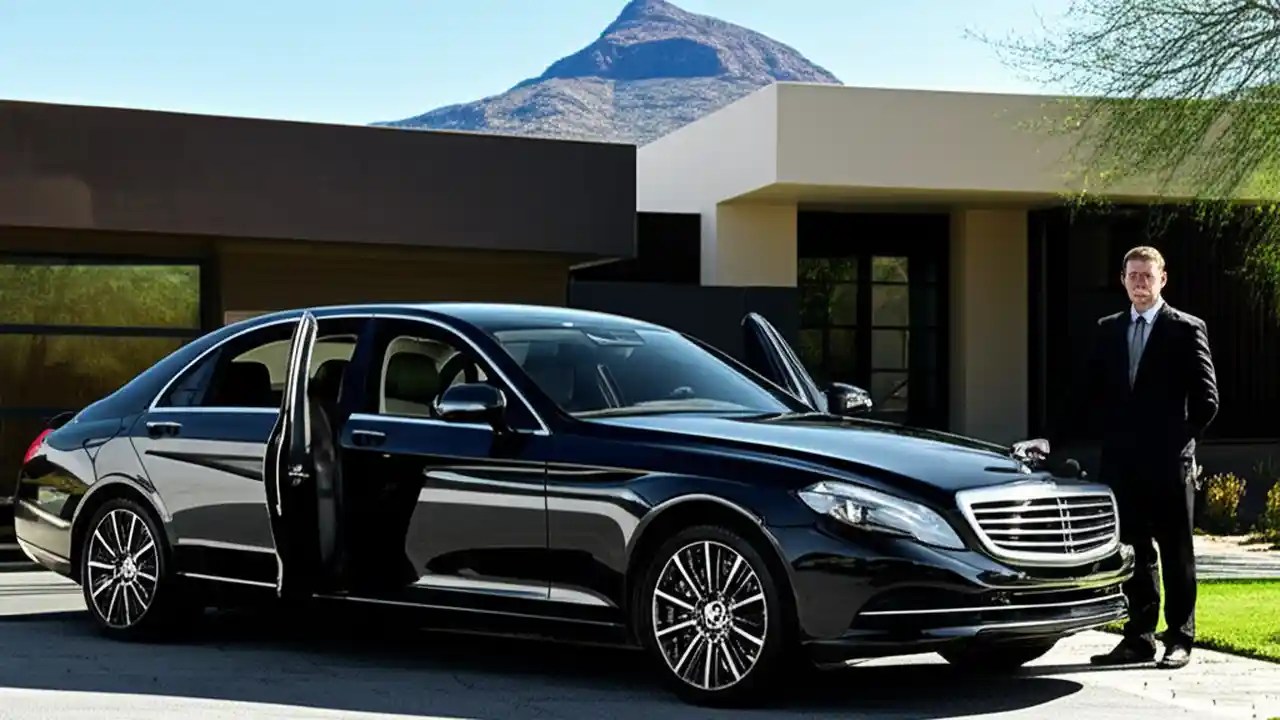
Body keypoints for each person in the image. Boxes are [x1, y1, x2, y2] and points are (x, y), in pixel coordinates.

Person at [1075, 245, 1219, 669]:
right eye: (1133, 275)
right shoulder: (1108, 329)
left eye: (1147, 275)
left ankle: (1180, 639)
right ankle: (1138, 637)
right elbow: (1088, 394)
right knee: (1134, 553)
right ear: (1122, 279)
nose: (1140, 282)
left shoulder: (1187, 329)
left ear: (1163, 279)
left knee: (1176, 552)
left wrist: (1181, 442)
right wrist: (1053, 436)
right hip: (1122, 463)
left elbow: (1208, 400)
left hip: (1170, 462)